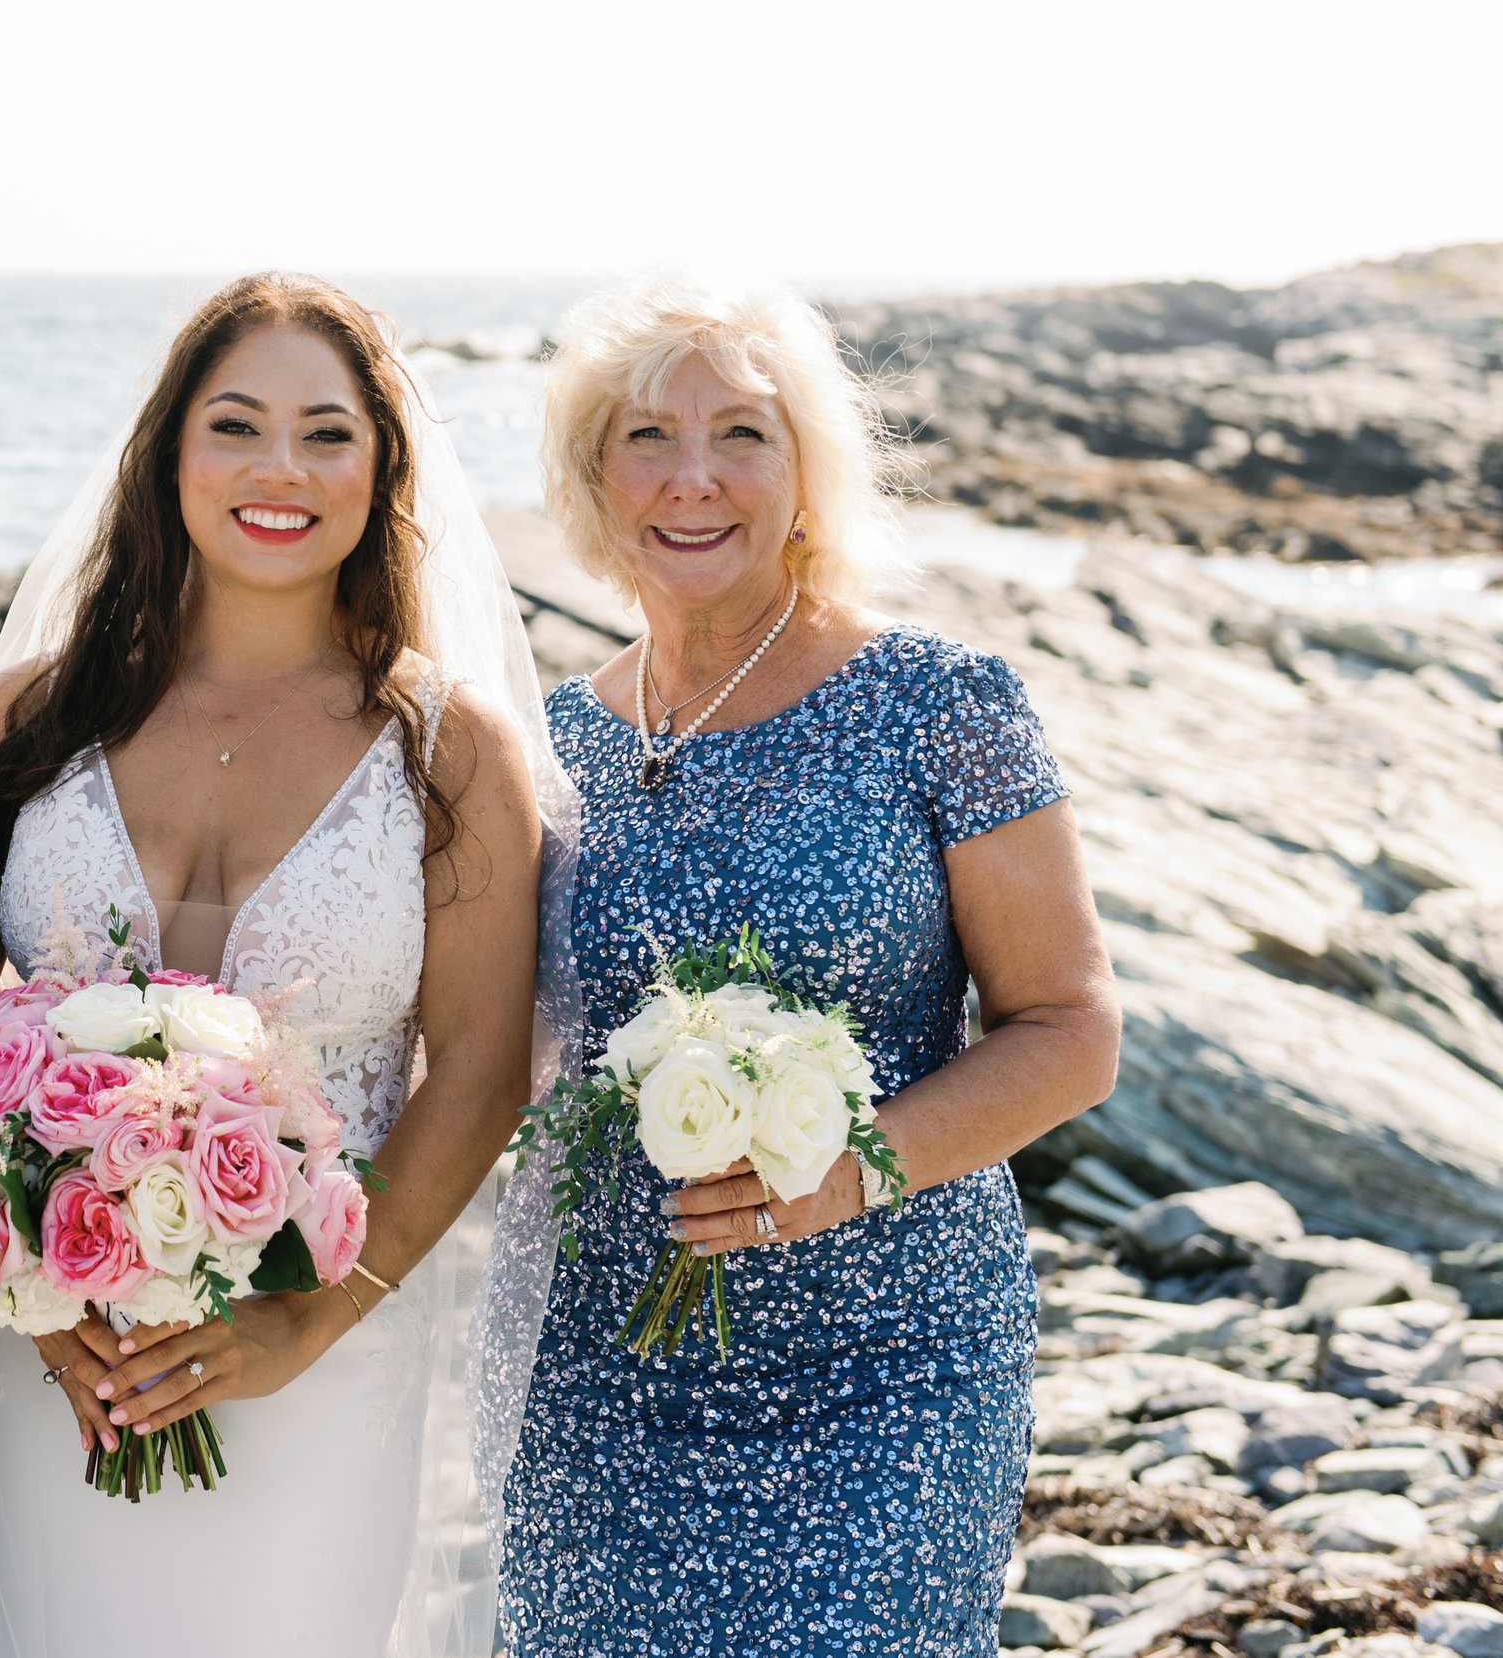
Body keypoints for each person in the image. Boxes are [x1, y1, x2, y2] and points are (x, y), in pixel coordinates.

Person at [474, 271, 1120, 1655]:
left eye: (744, 435)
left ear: (810, 471)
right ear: (593, 480)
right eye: (646, 436)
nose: (692, 476)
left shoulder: (939, 704)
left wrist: (849, 1166)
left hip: (890, 1368)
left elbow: (1070, 1027)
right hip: (599, 1376)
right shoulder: (548, 746)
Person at [0, 274, 552, 1657]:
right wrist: (34, 1301)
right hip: (58, 1365)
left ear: (385, 466)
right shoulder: (23, 725)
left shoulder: (449, 752)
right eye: (237, 424)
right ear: (169, 455)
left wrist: (310, 1320)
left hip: (322, 1365)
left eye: (328, 432)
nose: (283, 469)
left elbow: (482, 1066)